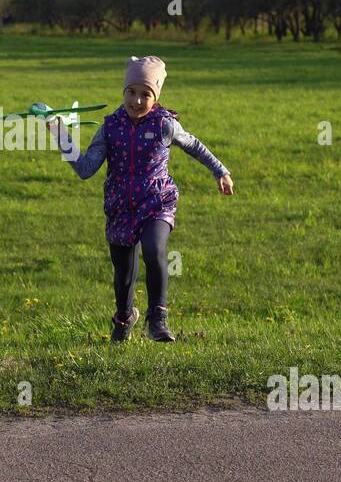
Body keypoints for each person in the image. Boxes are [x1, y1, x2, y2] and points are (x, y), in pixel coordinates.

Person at [48, 56, 233, 342]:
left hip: (156, 201)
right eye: (131, 92)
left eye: (145, 94)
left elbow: (194, 145)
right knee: (123, 274)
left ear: (156, 96)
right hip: (120, 207)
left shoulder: (164, 125)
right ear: (123, 92)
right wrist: (62, 136)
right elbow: (86, 169)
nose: (137, 101)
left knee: (154, 248)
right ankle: (124, 317)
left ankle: (157, 318)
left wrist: (220, 171)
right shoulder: (110, 127)